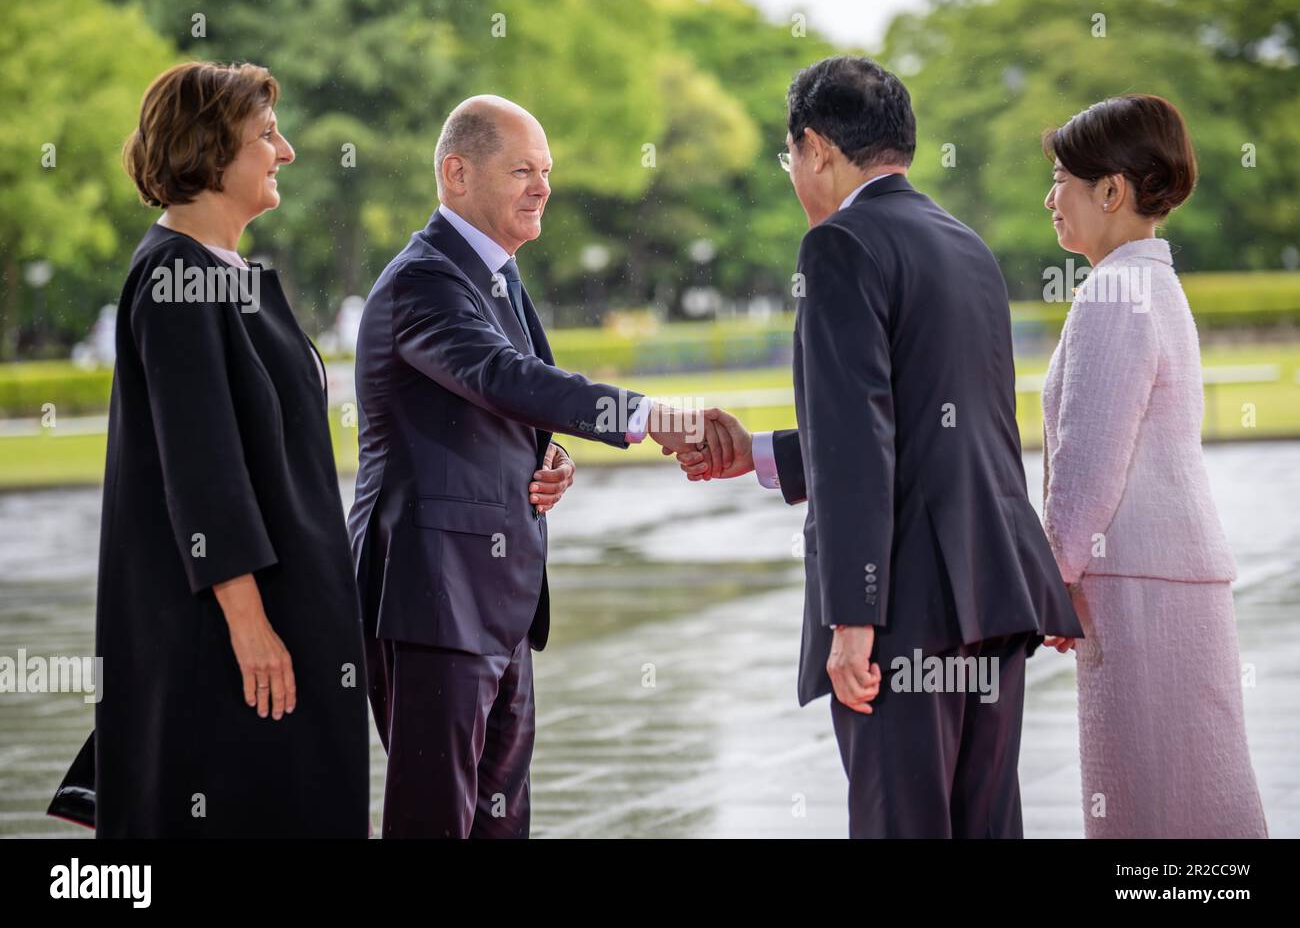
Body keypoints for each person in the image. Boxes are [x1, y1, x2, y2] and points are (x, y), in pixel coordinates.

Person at [674, 56, 1081, 838]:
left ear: (817, 146)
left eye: (789, 154)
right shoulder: (965, 245)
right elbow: (931, 424)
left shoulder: (838, 245)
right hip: (989, 586)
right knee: (986, 822)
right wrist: (758, 454)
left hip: (903, 605)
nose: (793, 172)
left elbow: (863, 443)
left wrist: (853, 617)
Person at [348, 95, 713, 838]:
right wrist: (648, 416)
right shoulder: (424, 279)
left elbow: (506, 404)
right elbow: (502, 376)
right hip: (432, 596)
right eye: (522, 170)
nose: (543, 186)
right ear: (456, 173)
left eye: (545, 170)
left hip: (498, 600)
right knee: (434, 820)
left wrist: (550, 452)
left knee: (501, 820)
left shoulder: (498, 275)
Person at [56, 61, 370, 837]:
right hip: (234, 628)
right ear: (209, 150)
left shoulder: (225, 276)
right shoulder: (173, 278)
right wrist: (249, 622)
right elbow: (201, 465)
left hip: (280, 614)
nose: (286, 151)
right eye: (266, 136)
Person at [1039, 95, 1267, 838]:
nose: (1052, 197)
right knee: (1200, 799)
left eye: (1063, 177)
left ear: (1112, 191)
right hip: (1168, 577)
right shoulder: (1153, 282)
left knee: (1149, 810)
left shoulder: (1113, 290)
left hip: (1135, 584)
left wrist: (1050, 576)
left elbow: (1088, 461)